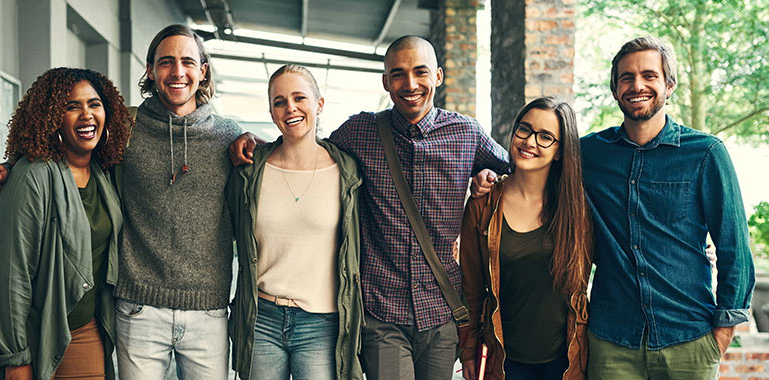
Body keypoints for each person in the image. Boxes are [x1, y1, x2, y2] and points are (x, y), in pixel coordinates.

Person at [472, 36, 755, 380]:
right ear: (615, 88)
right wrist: (490, 175)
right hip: (611, 343)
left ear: (669, 85)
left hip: (688, 339)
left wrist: (722, 333)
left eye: (649, 76)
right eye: (626, 77)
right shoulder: (588, 154)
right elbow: (535, 161)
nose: (637, 85)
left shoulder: (705, 153)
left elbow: (735, 248)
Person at [230, 35, 510, 380]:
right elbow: (306, 150)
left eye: (420, 72)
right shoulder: (360, 131)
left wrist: (490, 176)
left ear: (438, 76)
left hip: (442, 310)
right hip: (381, 312)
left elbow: (519, 170)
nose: (410, 84)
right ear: (385, 81)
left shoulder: (467, 134)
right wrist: (258, 147)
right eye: (398, 74)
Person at [0, 25, 243, 379]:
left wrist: (254, 141)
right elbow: (71, 147)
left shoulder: (230, 136)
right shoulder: (124, 126)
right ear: (150, 70)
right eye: (166, 62)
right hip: (137, 309)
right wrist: (11, 168)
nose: (177, 72)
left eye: (187, 62)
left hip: (207, 311)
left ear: (203, 70)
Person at [0, 67, 130, 380]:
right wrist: (15, 357)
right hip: (22, 331)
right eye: (71, 106)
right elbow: (11, 274)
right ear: (51, 117)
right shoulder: (31, 176)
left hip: (83, 326)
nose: (86, 115)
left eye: (94, 104)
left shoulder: (105, 171)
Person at [226, 64, 363, 380]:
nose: (290, 108)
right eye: (279, 101)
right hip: (261, 318)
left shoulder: (348, 174)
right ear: (272, 111)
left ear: (319, 104)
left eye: (299, 97)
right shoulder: (250, 170)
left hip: (322, 322)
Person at [459, 97, 592, 380]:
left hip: (566, 360)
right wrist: (468, 350)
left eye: (545, 137)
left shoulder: (576, 209)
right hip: (506, 361)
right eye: (525, 130)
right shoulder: (482, 205)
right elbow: (471, 289)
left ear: (559, 151)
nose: (530, 142)